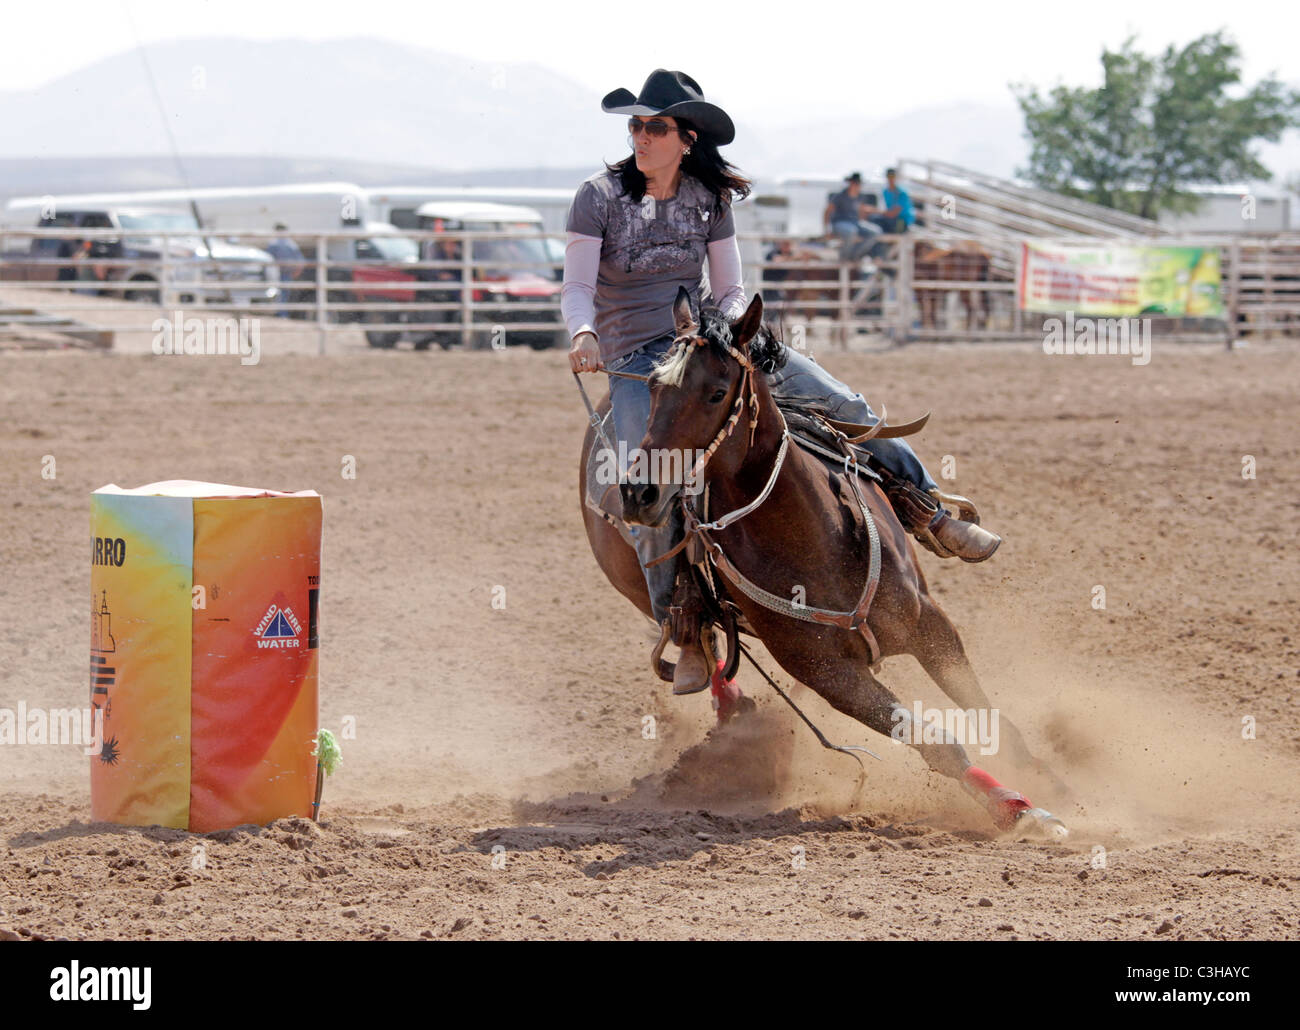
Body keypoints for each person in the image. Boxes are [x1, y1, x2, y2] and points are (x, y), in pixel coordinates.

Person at [564, 70, 1000, 694]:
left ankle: (927, 509)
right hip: (636, 357)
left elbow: (732, 283)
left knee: (845, 405)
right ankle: (686, 630)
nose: (640, 136)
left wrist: (733, 330)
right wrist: (583, 333)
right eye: (635, 125)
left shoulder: (708, 198)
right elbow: (578, 286)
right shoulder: (598, 197)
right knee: (647, 487)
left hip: (709, 340)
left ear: (686, 137)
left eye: (654, 126)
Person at [823, 172, 882, 259]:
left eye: (858, 183)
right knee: (850, 231)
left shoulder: (860, 197)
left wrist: (873, 212)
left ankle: (855, 255)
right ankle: (844, 258)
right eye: (855, 183)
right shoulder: (840, 196)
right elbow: (827, 211)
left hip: (855, 223)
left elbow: (861, 211)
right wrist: (827, 229)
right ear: (850, 183)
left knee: (876, 232)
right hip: (840, 223)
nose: (857, 185)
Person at [265, 224, 304, 318]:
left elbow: (268, 258)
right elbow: (300, 260)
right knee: (283, 293)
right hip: (283, 272)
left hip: (280, 272)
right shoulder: (290, 243)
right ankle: (282, 313)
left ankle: (281, 313)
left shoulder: (274, 243)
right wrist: (297, 271)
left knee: (281, 293)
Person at [863, 168, 915, 235]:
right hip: (890, 220)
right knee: (872, 220)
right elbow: (887, 212)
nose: (890, 179)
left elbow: (892, 213)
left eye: (892, 176)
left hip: (901, 223)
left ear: (896, 177)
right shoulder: (885, 191)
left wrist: (873, 210)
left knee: (877, 222)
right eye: (889, 176)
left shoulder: (902, 193)